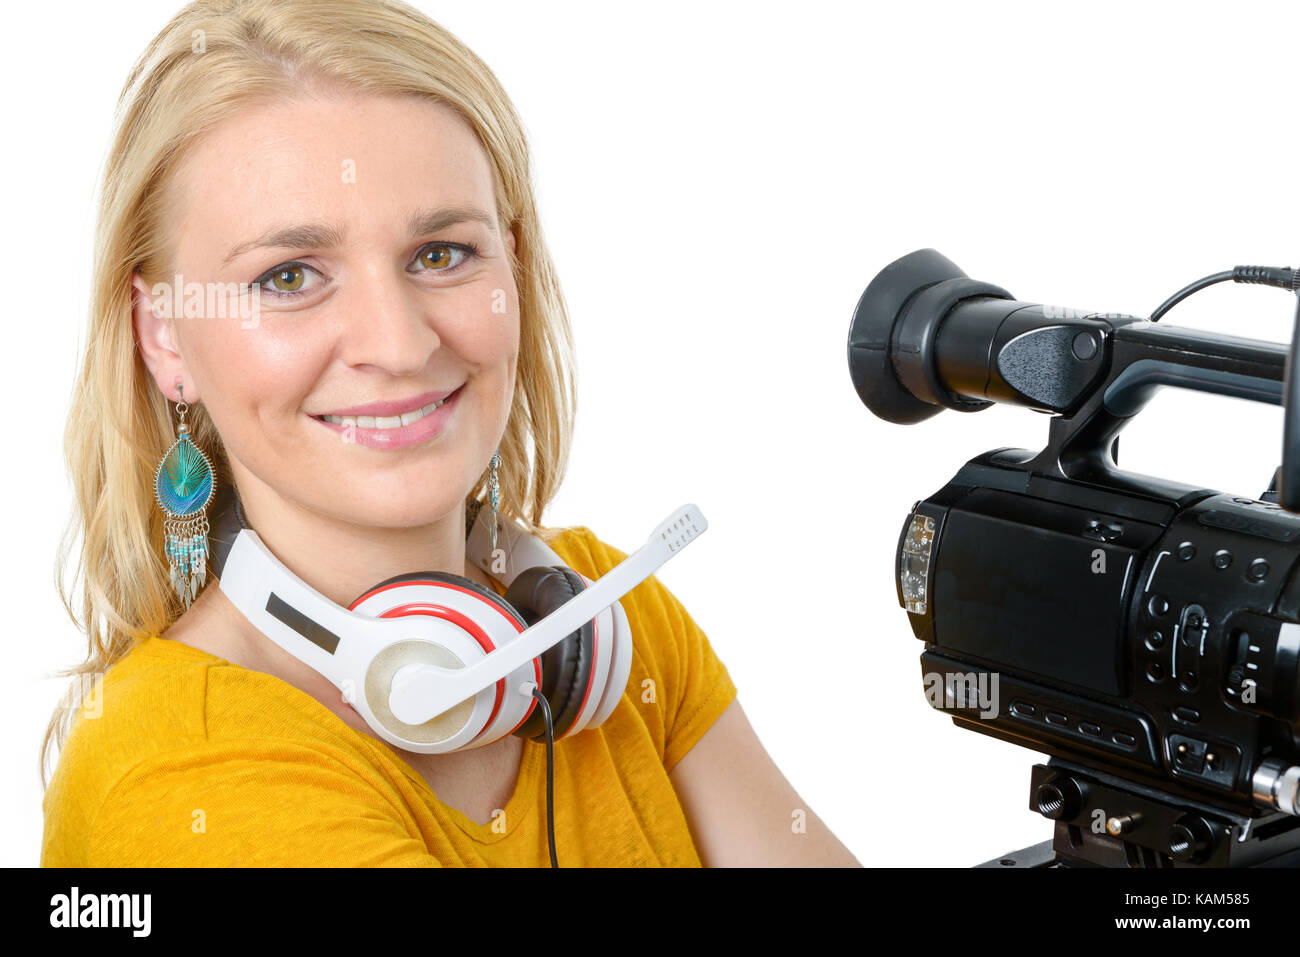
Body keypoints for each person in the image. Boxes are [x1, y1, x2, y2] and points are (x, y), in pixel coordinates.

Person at [41, 0, 860, 867]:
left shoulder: (607, 613)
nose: (398, 344)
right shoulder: (182, 768)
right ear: (165, 335)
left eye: (441, 253)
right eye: (288, 275)